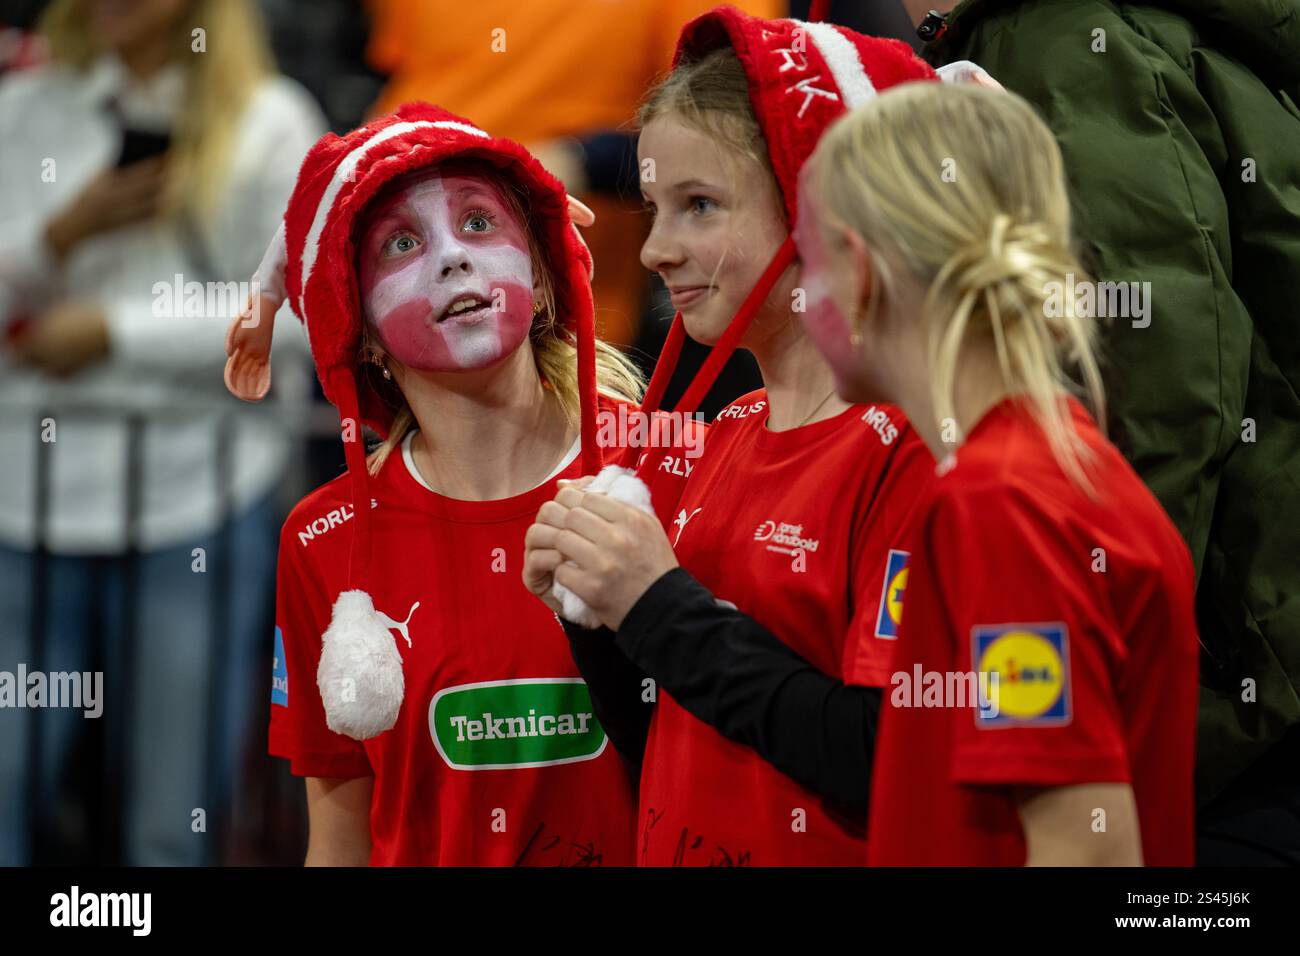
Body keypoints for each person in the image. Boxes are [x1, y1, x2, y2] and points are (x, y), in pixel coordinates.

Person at [522, 8, 949, 866]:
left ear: (824, 212)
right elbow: (664, 733)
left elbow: (891, 759)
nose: (654, 250)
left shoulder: (917, 450)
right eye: (652, 209)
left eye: (700, 207)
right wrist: (597, 615)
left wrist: (656, 606)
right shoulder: (728, 433)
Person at [242, 101, 697, 865]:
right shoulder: (324, 542)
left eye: (480, 224)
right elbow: (341, 838)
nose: (453, 258)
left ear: (545, 280)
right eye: (402, 242)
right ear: (363, 335)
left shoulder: (680, 467)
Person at [910, 0, 1300, 863]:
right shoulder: (1101, 27)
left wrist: (1100, 714)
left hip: (1229, 705)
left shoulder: (1060, 41)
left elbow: (1160, 386)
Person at [795, 81, 1198, 865]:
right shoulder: (1057, 464)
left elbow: (1088, 851)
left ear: (864, 275)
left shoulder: (999, 503)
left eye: (810, 262)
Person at [0, 0, 323, 865]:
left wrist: (114, 333)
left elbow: (300, 309)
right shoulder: (23, 109)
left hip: (198, 507)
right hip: (23, 512)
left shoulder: (270, 120)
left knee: (170, 823)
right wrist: (63, 234)